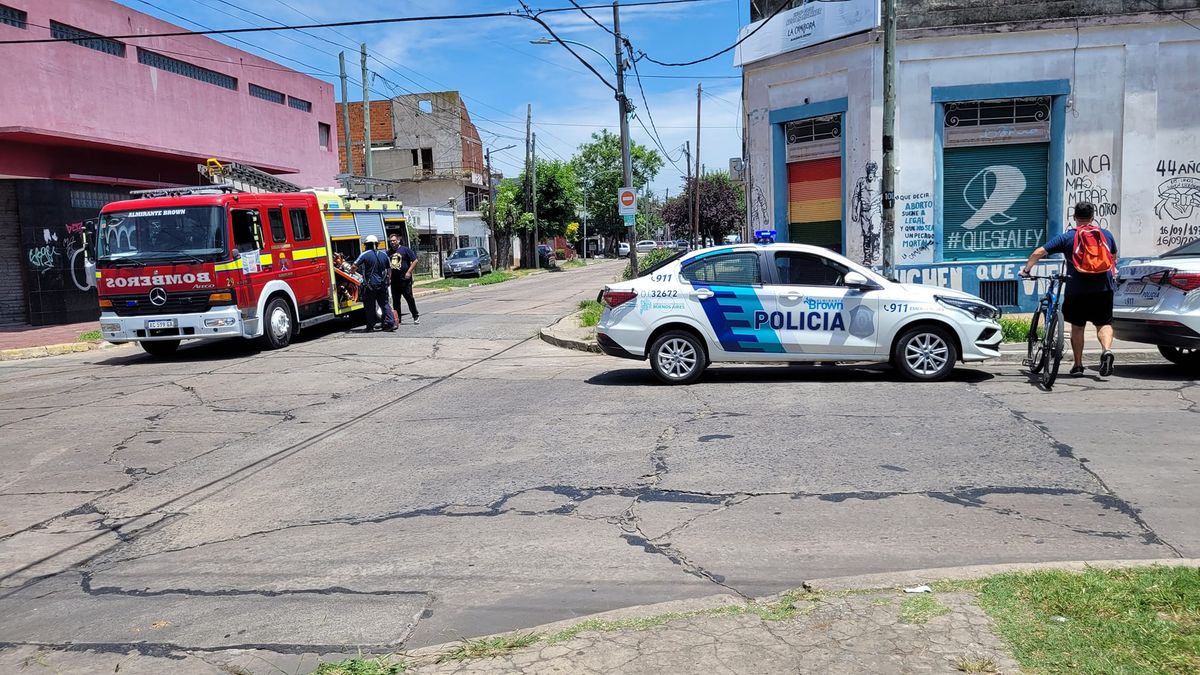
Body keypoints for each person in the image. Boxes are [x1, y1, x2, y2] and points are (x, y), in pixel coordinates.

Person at [1020, 202, 1118, 377]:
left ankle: (1078, 365)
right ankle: (1106, 351)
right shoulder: (1106, 235)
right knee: (1104, 324)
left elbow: (1038, 252)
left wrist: (1026, 270)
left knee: (1078, 327)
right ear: (1093, 217)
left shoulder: (1068, 237)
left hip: (1077, 290)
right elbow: (1113, 257)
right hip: (1104, 289)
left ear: (1074, 217)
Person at [352, 235, 396, 332]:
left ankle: (370, 326)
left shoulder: (364, 255)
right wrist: (388, 280)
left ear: (367, 245)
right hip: (382, 284)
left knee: (370, 306)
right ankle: (390, 323)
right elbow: (389, 269)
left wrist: (353, 271)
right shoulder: (384, 255)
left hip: (370, 285)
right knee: (384, 304)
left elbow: (354, 266)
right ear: (376, 244)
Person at [389, 234, 420, 325]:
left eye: (394, 240)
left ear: (398, 240)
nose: (392, 242)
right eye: (391, 241)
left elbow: (415, 261)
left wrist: (409, 272)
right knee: (396, 301)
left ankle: (415, 315)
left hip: (405, 280)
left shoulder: (405, 250)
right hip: (395, 281)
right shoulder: (389, 252)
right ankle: (398, 319)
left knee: (409, 298)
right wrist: (389, 277)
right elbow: (389, 266)